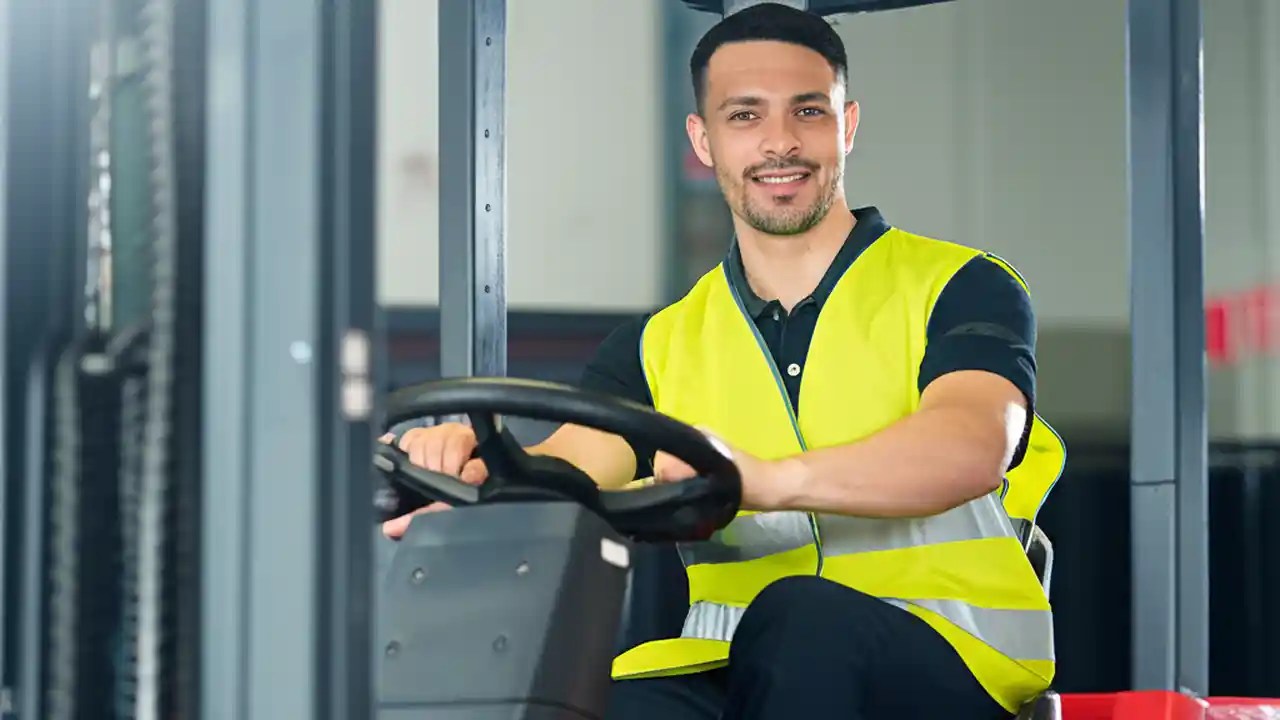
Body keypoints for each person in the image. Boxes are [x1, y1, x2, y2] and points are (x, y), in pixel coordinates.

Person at [381, 4, 1065, 719]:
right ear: (703, 141)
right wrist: (471, 467)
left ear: (847, 125)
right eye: (745, 117)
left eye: (807, 112)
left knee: (804, 621)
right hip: (737, 665)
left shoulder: (960, 286)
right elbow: (569, 473)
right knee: (579, 702)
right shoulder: (658, 345)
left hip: (952, 662)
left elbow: (970, 445)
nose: (779, 143)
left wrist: (761, 481)